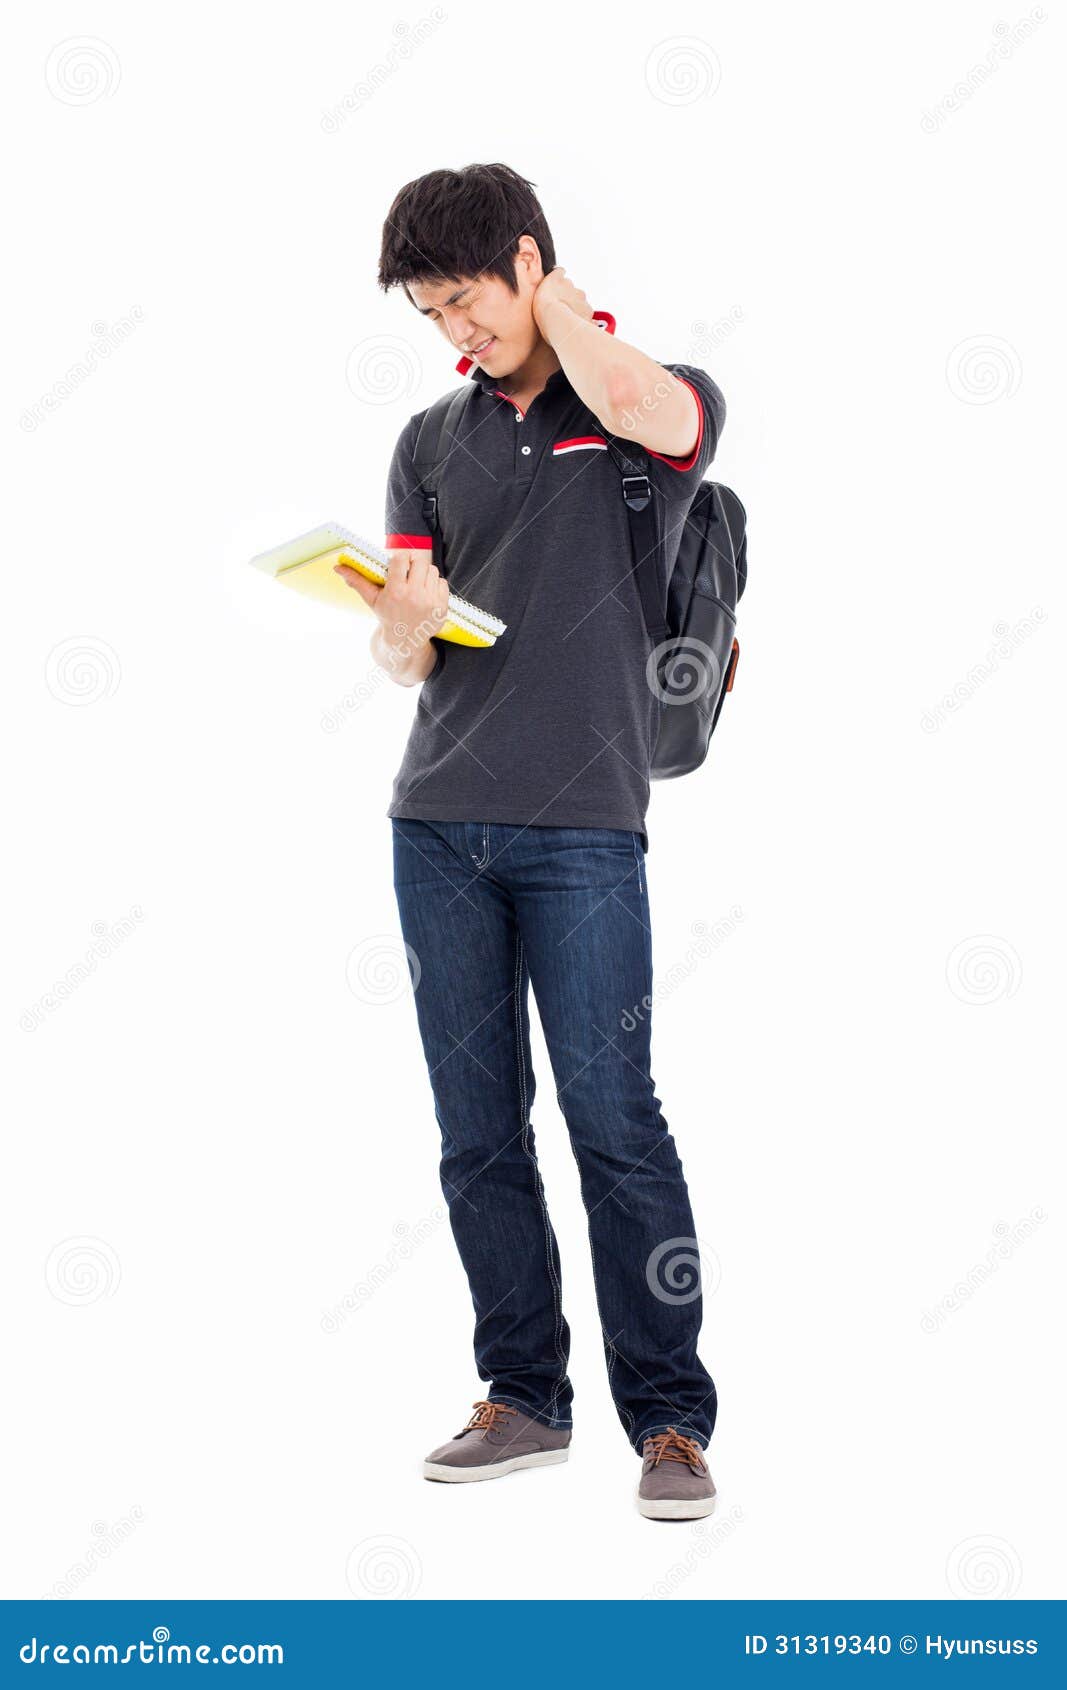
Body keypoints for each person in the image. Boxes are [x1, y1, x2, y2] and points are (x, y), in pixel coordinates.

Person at [337, 163, 725, 1520]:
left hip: (586, 831)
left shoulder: (644, 394)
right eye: (433, 314)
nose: (458, 331)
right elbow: (404, 661)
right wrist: (403, 611)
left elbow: (639, 406)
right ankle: (523, 1394)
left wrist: (558, 307)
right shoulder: (428, 441)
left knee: (617, 1123)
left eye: (469, 298)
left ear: (526, 263)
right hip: (435, 823)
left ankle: (671, 1420)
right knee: (474, 1130)